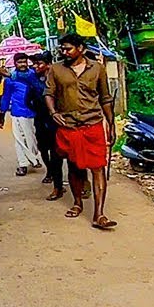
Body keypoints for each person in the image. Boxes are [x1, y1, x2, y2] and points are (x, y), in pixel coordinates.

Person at [45, 34, 116, 230]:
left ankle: (99, 214)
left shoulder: (97, 68)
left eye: (68, 49)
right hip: (68, 126)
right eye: (62, 49)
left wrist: (111, 124)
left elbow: (105, 98)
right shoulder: (56, 69)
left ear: (81, 49)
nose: (64, 52)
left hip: (92, 124)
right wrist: (53, 112)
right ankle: (77, 203)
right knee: (74, 167)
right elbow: (49, 94)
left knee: (98, 167)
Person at [0, 52, 43, 176]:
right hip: (17, 112)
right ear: (15, 63)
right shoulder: (10, 79)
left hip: (34, 112)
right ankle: (23, 164)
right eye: (19, 62)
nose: (22, 64)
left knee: (32, 138)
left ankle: (33, 158)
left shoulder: (34, 74)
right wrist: (2, 114)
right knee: (19, 139)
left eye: (24, 62)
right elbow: (6, 97)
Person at [30, 52, 67, 200]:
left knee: (62, 154)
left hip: (58, 122)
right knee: (45, 150)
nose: (35, 66)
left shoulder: (59, 79)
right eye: (35, 64)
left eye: (39, 64)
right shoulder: (34, 81)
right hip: (41, 121)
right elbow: (28, 100)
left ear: (48, 64)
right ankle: (57, 185)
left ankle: (82, 182)